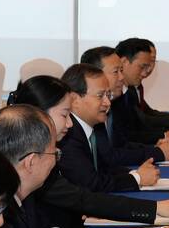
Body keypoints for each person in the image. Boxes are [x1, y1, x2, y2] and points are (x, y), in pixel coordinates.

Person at [8, 76, 169, 228]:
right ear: (38, 116)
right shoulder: (35, 164)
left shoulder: (50, 149)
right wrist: (155, 207)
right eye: (65, 114)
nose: (70, 123)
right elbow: (82, 198)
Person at [59, 63, 159, 193]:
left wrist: (136, 173)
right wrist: (138, 178)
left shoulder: (90, 127)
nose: (107, 103)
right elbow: (91, 184)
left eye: (108, 95)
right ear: (75, 99)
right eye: (100, 96)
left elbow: (104, 168)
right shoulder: (68, 135)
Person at [80, 46, 169, 164]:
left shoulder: (112, 103)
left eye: (121, 71)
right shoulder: (93, 112)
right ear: (95, 75)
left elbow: (121, 143)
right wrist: (157, 152)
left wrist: (155, 148)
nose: (122, 77)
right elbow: (109, 157)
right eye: (116, 72)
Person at [115, 37, 169, 143]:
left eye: (152, 62)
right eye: (143, 66)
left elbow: (145, 115)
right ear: (124, 62)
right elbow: (138, 128)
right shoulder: (117, 94)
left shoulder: (130, 88)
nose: (147, 71)